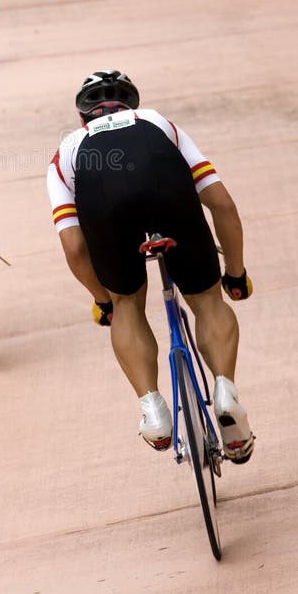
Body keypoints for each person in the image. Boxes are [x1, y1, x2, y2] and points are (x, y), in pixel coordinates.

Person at [47, 70, 254, 464]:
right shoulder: (158, 123)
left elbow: (74, 248)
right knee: (208, 300)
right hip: (167, 191)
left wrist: (104, 299)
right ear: (132, 106)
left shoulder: (66, 152)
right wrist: (236, 274)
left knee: (127, 305)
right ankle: (225, 391)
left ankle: (154, 409)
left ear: (82, 118)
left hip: (104, 204)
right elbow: (222, 205)